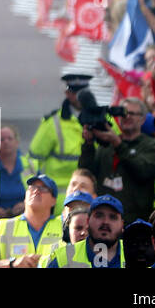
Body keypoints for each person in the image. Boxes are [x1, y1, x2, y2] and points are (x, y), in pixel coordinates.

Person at [78, 96, 155, 224]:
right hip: (104, 219)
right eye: (123, 113)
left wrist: (117, 143)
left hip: (135, 220)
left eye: (132, 114)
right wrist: (89, 144)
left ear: (143, 119)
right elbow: (86, 173)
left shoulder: (152, 145)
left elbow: (143, 171)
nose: (127, 116)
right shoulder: (106, 145)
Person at [29, 72, 89, 212]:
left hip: (92, 199)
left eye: (83, 92)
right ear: (67, 93)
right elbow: (33, 161)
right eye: (75, 92)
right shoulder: (53, 123)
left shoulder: (103, 119)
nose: (79, 96)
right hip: (58, 204)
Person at [0, 174, 62, 268]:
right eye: (32, 188)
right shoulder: (5, 227)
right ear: (25, 196)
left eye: (43, 188)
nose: (36, 191)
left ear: (54, 201)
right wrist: (12, 263)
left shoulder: (64, 227)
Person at [42, 195, 126, 268]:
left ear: (122, 224)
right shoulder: (63, 258)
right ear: (88, 221)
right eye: (99, 215)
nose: (105, 221)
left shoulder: (135, 252)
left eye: (113, 217)